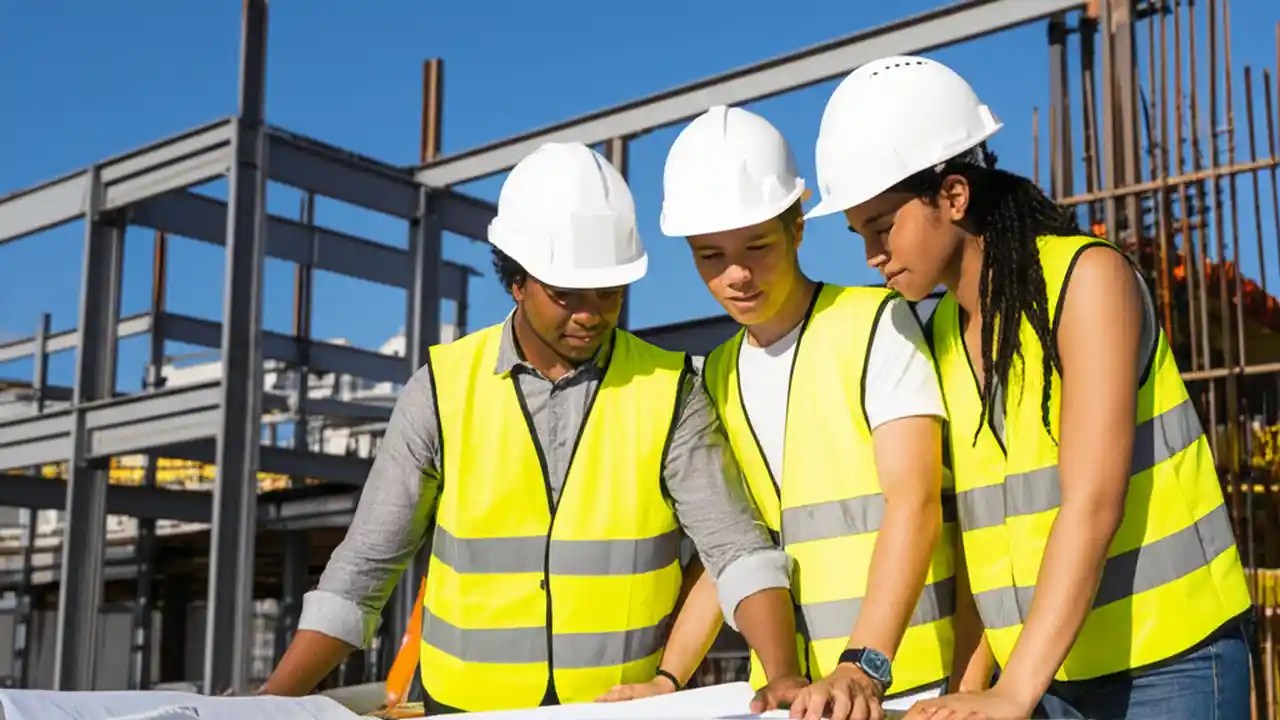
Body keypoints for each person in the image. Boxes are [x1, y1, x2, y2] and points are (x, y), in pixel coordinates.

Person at [260, 141, 809, 714]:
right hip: (465, 709)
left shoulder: (671, 389)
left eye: (609, 292)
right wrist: (270, 704)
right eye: (565, 294)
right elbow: (364, 569)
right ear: (516, 280)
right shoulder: (443, 389)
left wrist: (782, 672)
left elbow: (735, 548)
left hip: (612, 709)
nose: (590, 313)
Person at [804, 54, 1256, 720]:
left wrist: (1013, 692)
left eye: (882, 227)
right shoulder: (940, 333)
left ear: (954, 196)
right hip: (1046, 676)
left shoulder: (1087, 281)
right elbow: (981, 544)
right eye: (859, 234)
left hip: (1170, 663)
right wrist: (969, 686)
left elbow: (1094, 503)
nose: (872, 256)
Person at [602, 105, 970, 720]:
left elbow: (916, 503)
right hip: (790, 699)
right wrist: (669, 678)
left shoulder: (875, 325)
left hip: (905, 686)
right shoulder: (716, 374)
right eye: (710, 256)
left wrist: (863, 666)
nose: (737, 275)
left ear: (798, 227)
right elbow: (729, 548)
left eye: (757, 246)